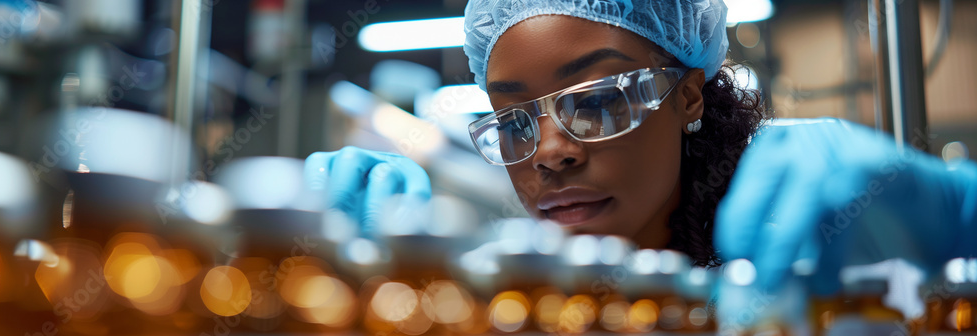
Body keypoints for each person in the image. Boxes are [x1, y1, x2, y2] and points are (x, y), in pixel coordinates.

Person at [307, 0, 976, 328]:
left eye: (596, 101)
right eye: (513, 120)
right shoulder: (508, 308)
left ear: (688, 95)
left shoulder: (828, 274)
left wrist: (958, 210)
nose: (549, 153)